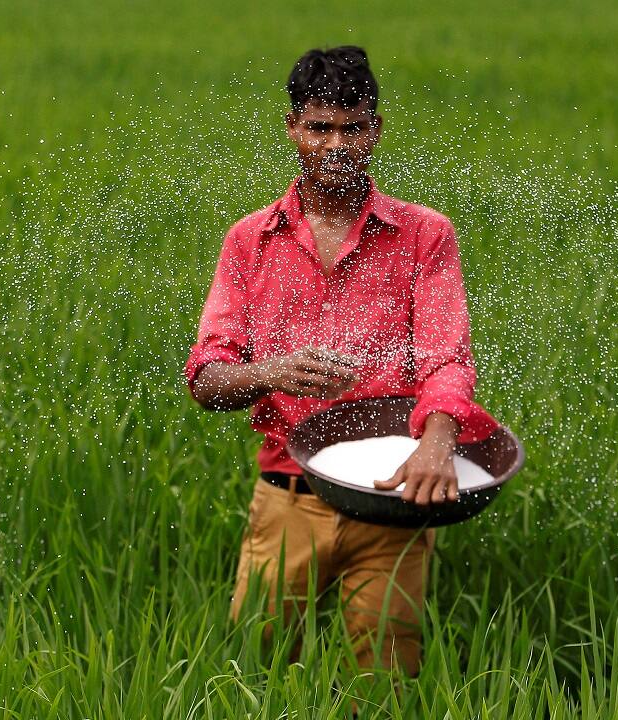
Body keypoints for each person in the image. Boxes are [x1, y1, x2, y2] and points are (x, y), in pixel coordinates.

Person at [183, 45, 499, 677]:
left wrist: (439, 440)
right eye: (319, 127)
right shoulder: (250, 241)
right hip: (287, 497)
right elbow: (206, 377)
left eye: (352, 127)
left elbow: (447, 357)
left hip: (391, 500)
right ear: (293, 129)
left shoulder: (423, 235)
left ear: (375, 130)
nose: (336, 144)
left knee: (387, 678)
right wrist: (271, 372)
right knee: (256, 670)